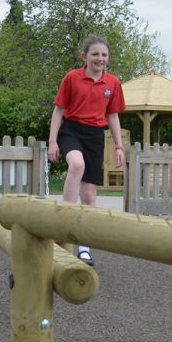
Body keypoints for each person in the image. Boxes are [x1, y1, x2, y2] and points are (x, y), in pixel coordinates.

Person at [47, 34, 126, 266]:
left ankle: (84, 248)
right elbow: (59, 111)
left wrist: (119, 145)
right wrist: (53, 142)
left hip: (95, 136)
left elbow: (113, 116)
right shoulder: (72, 78)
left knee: (90, 195)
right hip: (71, 130)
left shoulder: (113, 83)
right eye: (95, 54)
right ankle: (64, 219)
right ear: (85, 56)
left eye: (104, 55)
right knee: (76, 164)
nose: (100, 59)